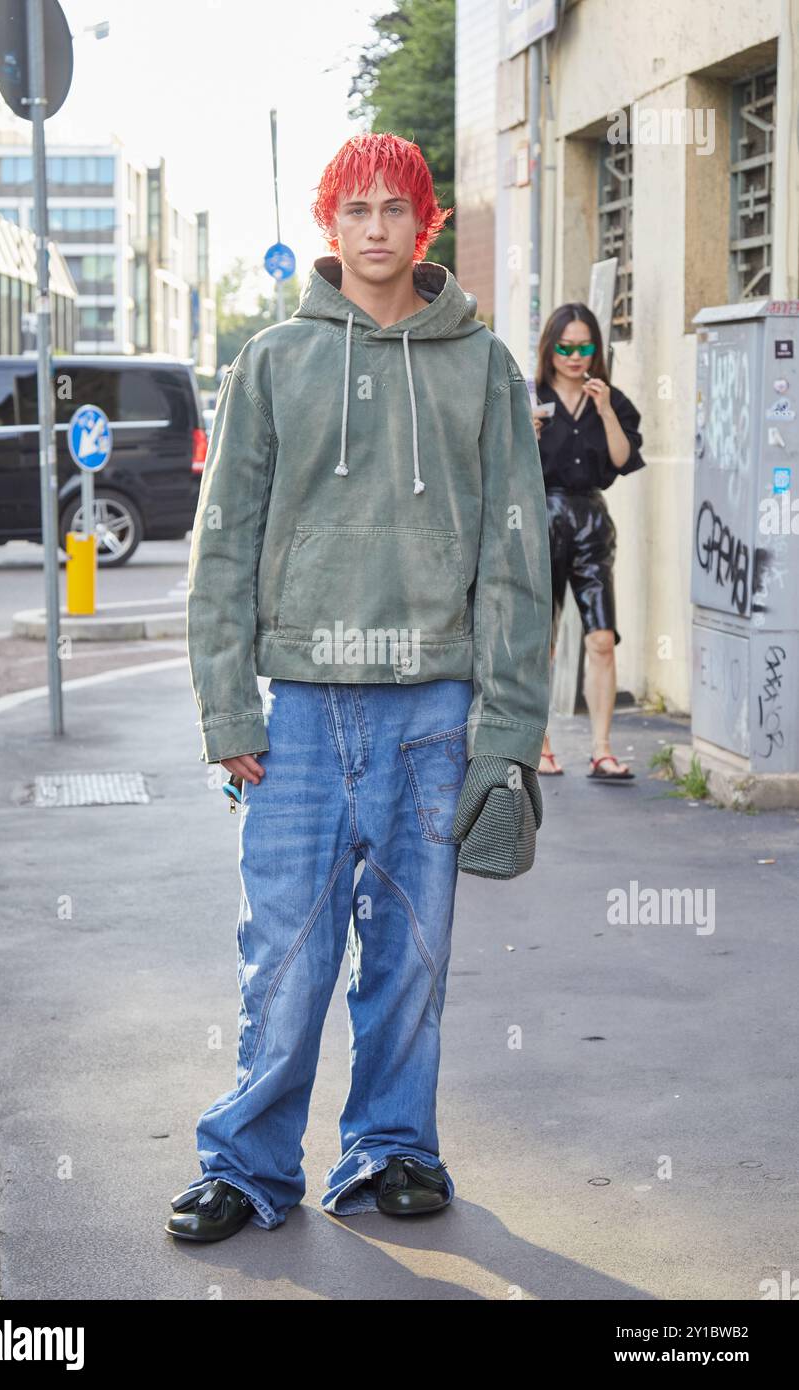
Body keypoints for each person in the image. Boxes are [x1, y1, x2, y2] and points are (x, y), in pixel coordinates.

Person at [165, 132, 552, 1244]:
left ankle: (391, 1148)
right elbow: (222, 544)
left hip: (434, 714)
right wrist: (226, 707)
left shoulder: (481, 367)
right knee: (281, 959)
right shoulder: (273, 360)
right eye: (356, 208)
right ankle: (245, 1166)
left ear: (423, 225)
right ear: (330, 225)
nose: (375, 227)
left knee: (409, 960)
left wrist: (508, 733)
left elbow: (514, 560)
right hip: (293, 714)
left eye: (395, 209)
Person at [531, 303, 646, 780]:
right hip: (541, 516)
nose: (575, 356)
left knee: (601, 637)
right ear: (550, 348)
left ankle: (601, 749)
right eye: (566, 346)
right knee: (543, 640)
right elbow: (499, 461)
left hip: (591, 520)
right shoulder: (530, 395)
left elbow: (623, 459)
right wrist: (526, 433)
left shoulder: (611, 399)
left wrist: (603, 410)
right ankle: (540, 744)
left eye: (585, 347)